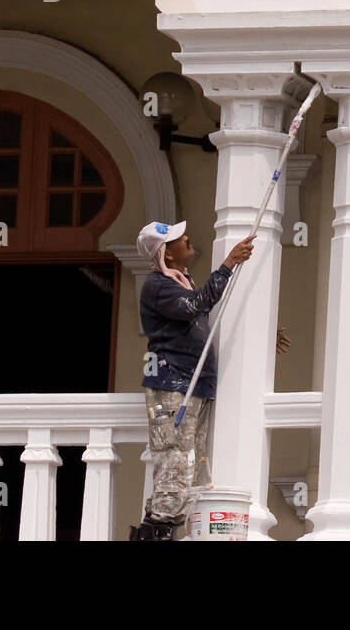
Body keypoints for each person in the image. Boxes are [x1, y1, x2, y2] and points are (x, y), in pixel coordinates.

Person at [128, 220, 288, 541]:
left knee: (189, 462)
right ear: (166, 254)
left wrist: (260, 336)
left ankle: (165, 529)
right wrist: (228, 264)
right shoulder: (159, 286)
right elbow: (197, 306)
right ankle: (157, 531)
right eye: (176, 238)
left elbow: (207, 323)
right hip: (172, 384)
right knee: (175, 459)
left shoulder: (179, 281)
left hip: (191, 383)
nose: (186, 237)